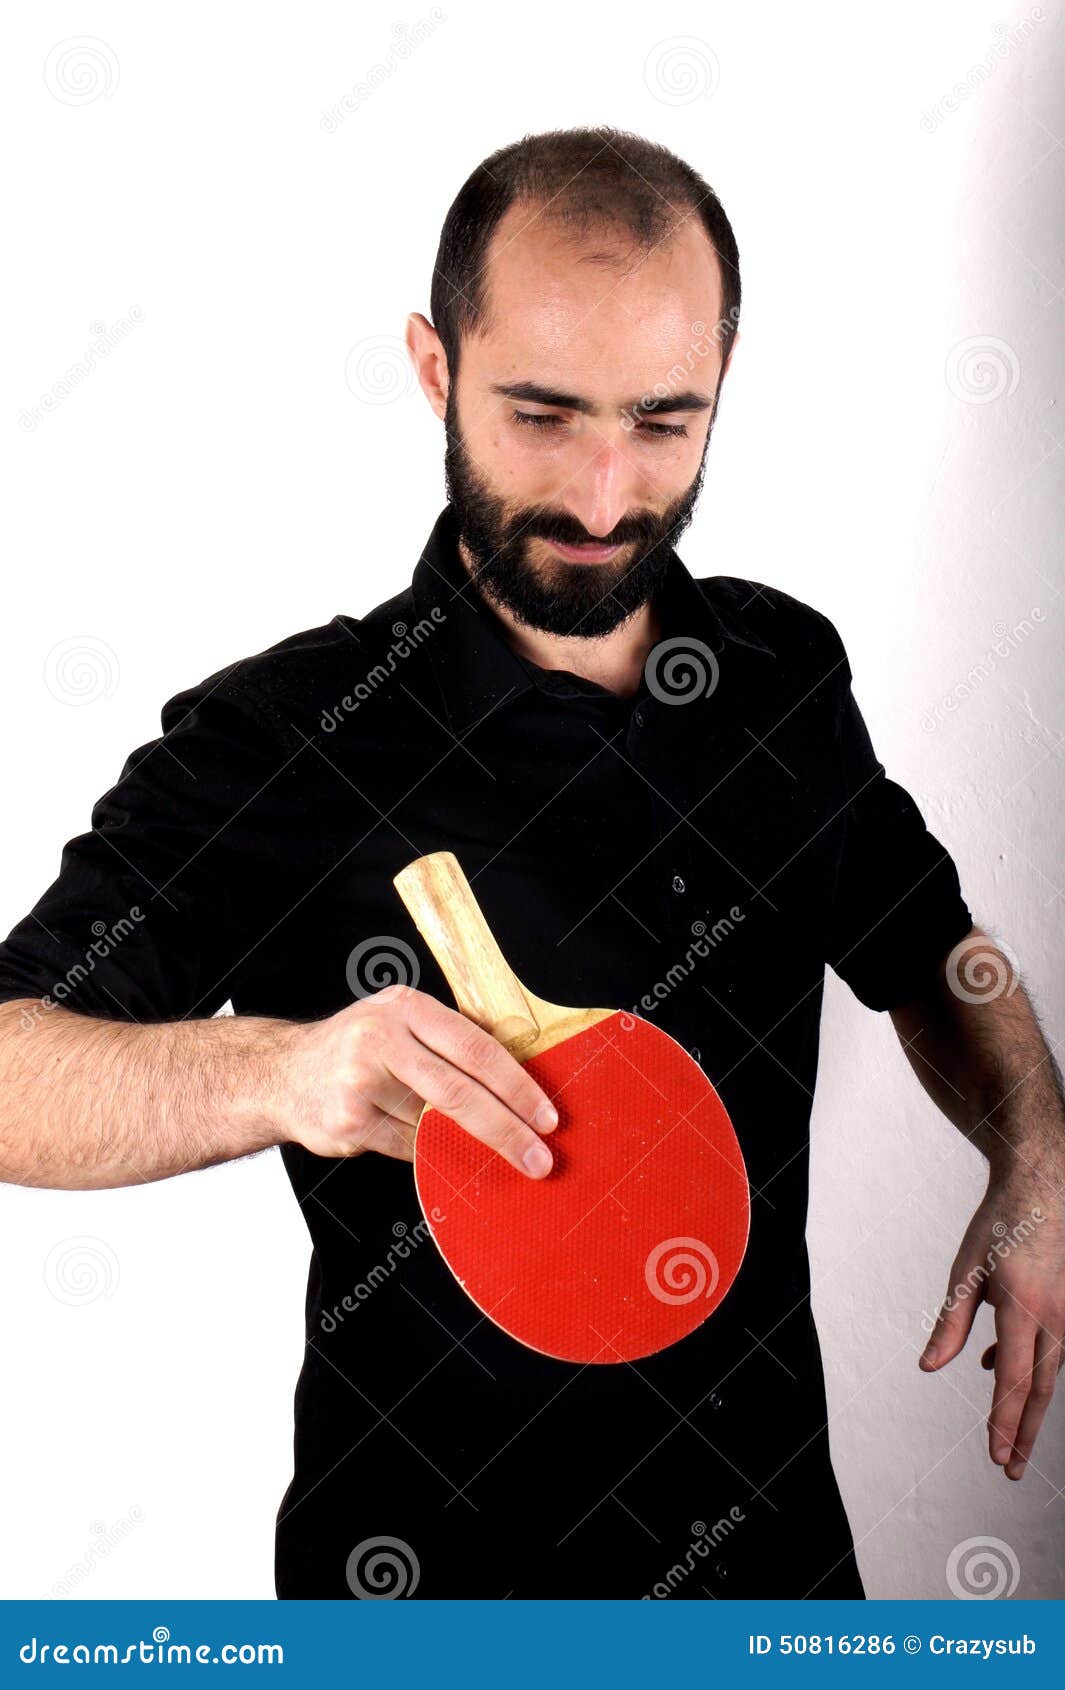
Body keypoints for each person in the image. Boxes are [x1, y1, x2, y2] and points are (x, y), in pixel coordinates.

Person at [1, 126, 1062, 1601]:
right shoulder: (288, 734)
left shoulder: (777, 674)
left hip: (774, 1598)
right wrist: (280, 1075)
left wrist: (1034, 1152)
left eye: (663, 419)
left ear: (722, 383)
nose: (606, 493)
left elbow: (932, 953)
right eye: (543, 415)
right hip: (422, 1610)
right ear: (436, 369)